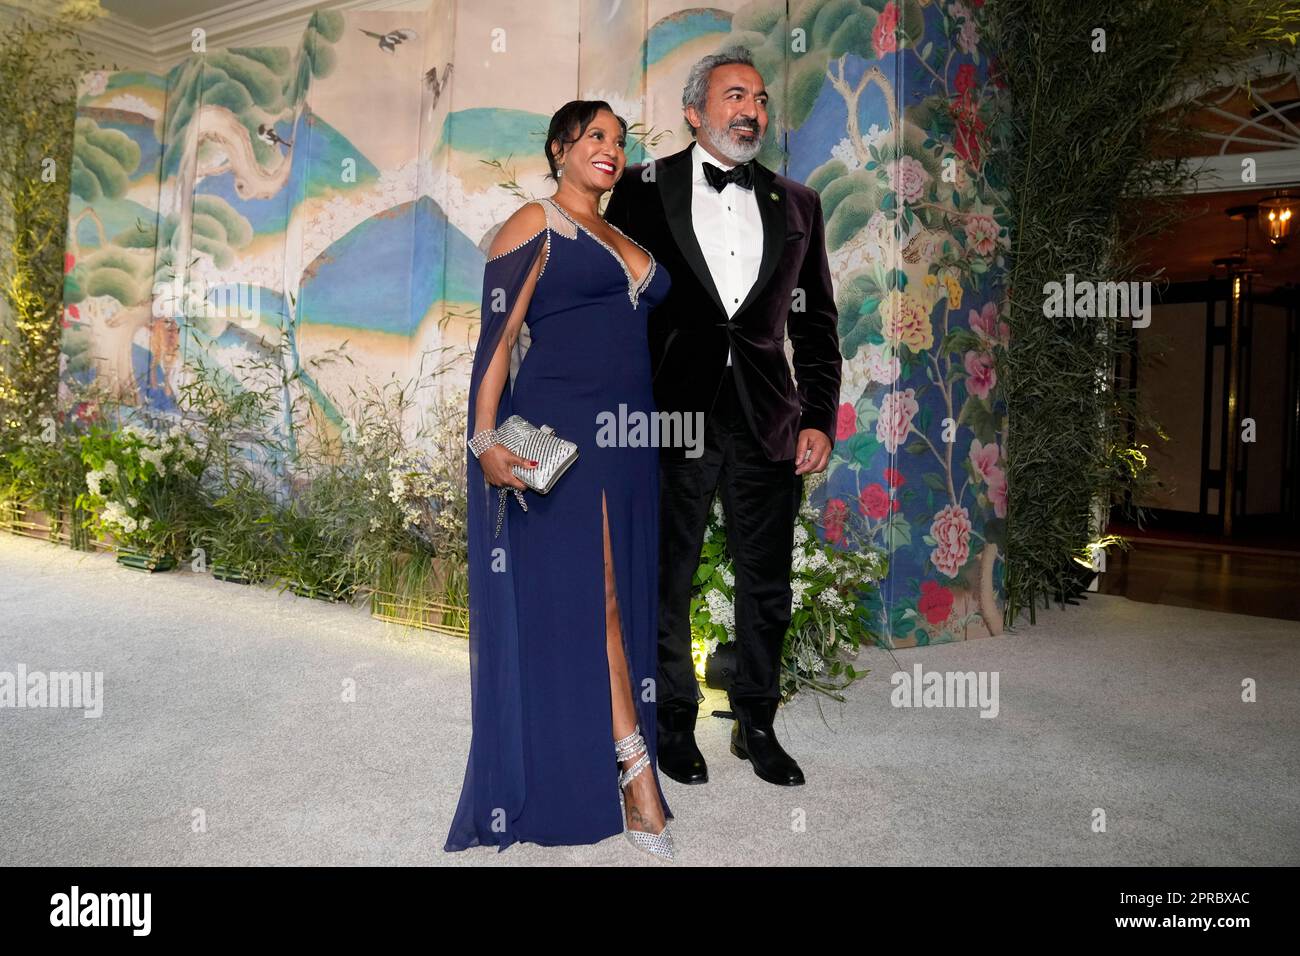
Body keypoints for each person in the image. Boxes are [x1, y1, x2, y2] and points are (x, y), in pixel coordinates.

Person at [444, 101, 676, 860]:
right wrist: (483, 439)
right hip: (565, 437)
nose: (611, 149)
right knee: (598, 596)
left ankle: (602, 762)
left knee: (620, 596)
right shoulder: (533, 223)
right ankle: (637, 782)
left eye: (619, 140)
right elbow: (498, 342)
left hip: (631, 444)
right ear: (560, 149)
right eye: (595, 138)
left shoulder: (621, 234)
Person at [605, 46, 842, 788]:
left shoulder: (799, 203)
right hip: (673, 414)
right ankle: (673, 720)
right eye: (735, 95)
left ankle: (757, 721)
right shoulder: (642, 188)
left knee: (765, 580)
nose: (752, 110)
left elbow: (818, 326)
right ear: (694, 111)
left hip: (770, 413)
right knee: (667, 574)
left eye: (761, 99)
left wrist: (819, 417)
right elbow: (623, 312)